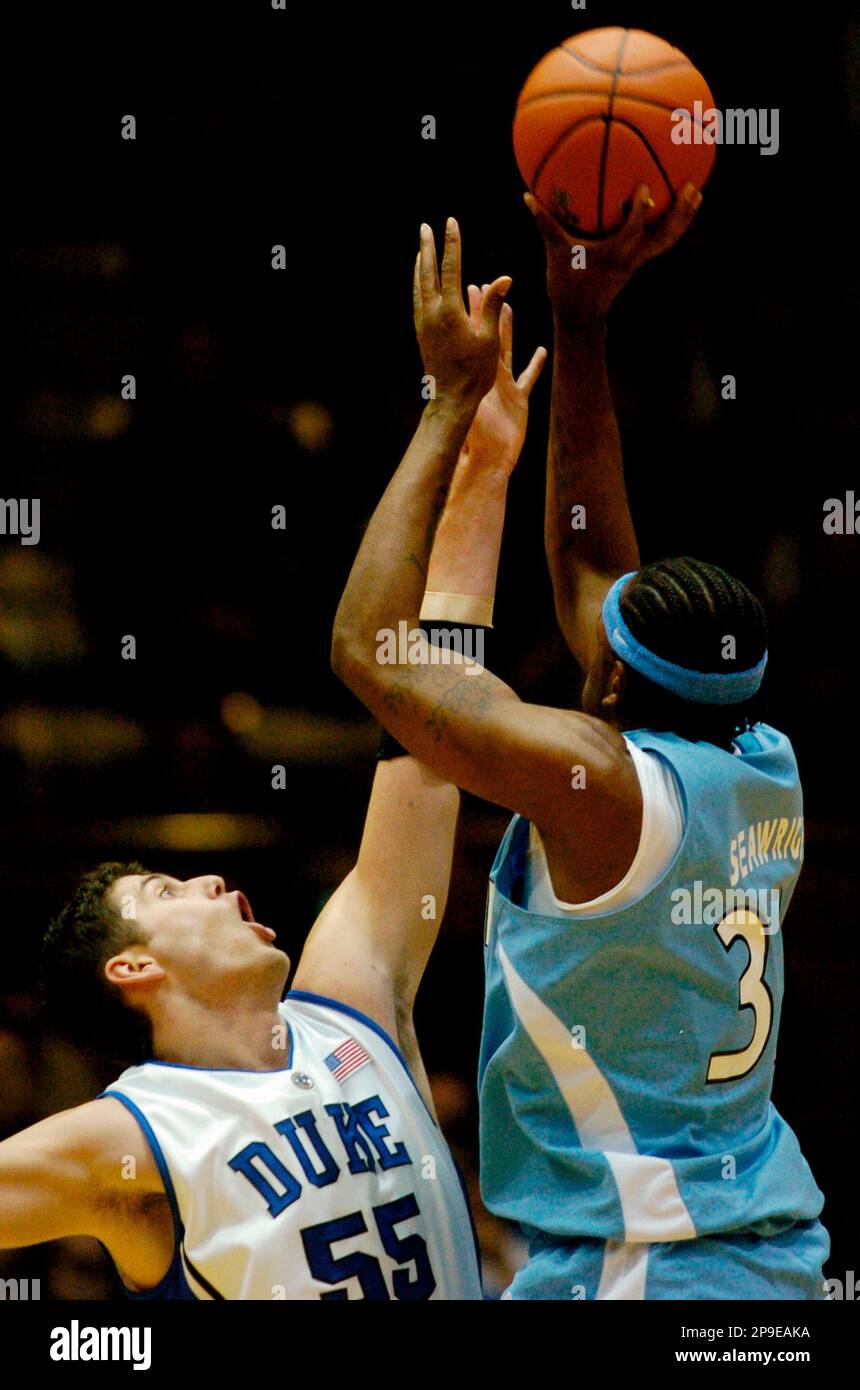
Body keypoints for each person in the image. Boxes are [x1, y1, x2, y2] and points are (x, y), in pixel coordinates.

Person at [330, 189, 829, 1300]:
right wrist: (583, 318)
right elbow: (595, 564)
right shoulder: (758, 762)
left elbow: (367, 651)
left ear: (608, 678)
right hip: (755, 1256)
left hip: (645, 1269)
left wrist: (446, 406)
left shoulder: (601, 788)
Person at [0, 314, 543, 1299]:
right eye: (170, 889)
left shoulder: (351, 1002)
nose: (211, 876)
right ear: (133, 967)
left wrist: (480, 477)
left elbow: (425, 740)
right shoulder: (130, 1139)